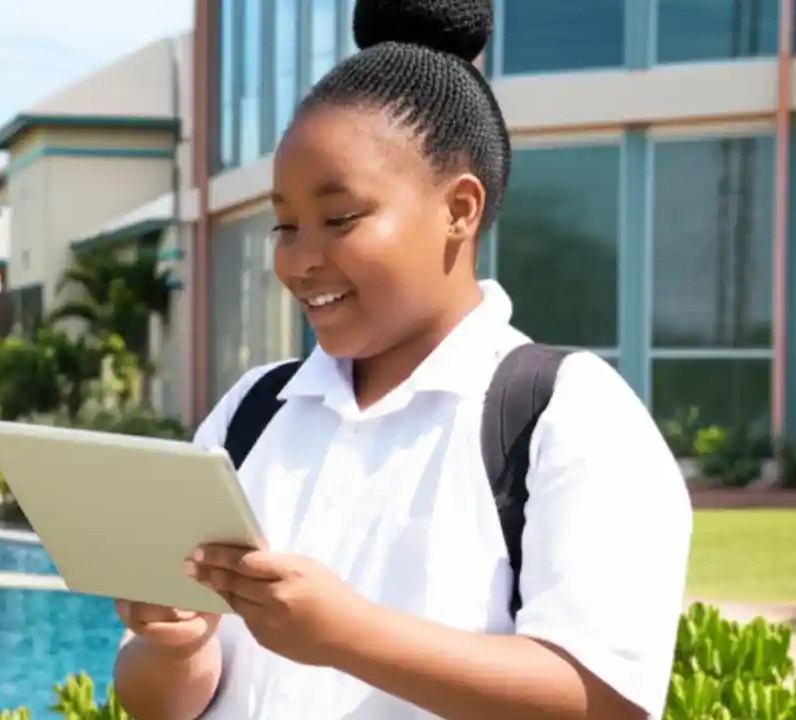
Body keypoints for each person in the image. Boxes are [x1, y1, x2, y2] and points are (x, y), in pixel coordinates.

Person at [112, 0, 692, 717]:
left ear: (460, 209)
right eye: (285, 225)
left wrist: (349, 636)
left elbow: (606, 698)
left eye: (340, 219)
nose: (299, 260)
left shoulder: (564, 412)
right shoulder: (253, 412)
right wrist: (177, 646)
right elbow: (154, 701)